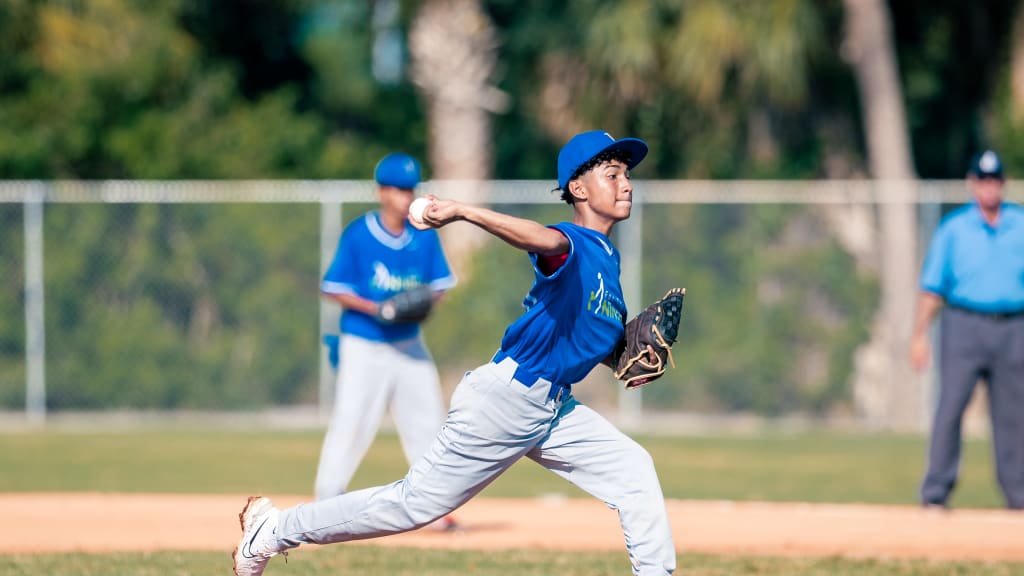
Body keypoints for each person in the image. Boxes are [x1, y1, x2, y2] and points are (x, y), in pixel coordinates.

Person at [232, 130, 677, 576]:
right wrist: (463, 212)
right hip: (506, 400)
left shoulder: (608, 262)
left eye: (627, 175)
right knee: (413, 505)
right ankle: (273, 530)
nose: (626, 183)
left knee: (634, 470)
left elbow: (582, 337)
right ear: (578, 189)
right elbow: (542, 241)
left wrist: (620, 355)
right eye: (612, 173)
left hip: (552, 407)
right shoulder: (571, 243)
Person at [315, 152, 457, 516]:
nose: (406, 197)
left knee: (429, 424)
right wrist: (377, 309)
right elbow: (333, 286)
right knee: (352, 422)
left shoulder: (422, 237)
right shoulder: (361, 234)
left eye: (410, 189)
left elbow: (439, 286)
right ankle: (326, 504)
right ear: (381, 192)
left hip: (409, 343)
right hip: (364, 343)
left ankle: (437, 509)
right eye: (397, 190)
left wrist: (421, 303)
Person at [909, 149, 1024, 511]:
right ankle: (936, 494)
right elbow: (932, 287)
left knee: (1014, 414)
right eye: (982, 180)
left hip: (1014, 327)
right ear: (971, 183)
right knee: (951, 406)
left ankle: (1019, 497)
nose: (988, 187)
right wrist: (919, 335)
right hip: (963, 326)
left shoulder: (1020, 225)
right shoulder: (954, 229)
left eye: (994, 180)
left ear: (1002, 184)